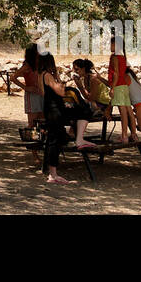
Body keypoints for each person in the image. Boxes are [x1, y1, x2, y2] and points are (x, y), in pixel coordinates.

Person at [39, 53, 95, 184]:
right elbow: (61, 91)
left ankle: (52, 172)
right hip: (55, 111)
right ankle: (53, 174)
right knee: (56, 139)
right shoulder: (47, 75)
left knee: (55, 138)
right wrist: (59, 80)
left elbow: (43, 92)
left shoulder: (40, 75)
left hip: (49, 109)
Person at [107, 34, 136, 144]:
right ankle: (133, 134)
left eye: (111, 44)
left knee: (122, 111)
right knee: (129, 111)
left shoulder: (114, 57)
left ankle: (124, 135)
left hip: (118, 85)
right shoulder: (123, 57)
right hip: (124, 85)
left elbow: (116, 73)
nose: (110, 46)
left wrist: (112, 88)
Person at [11, 44, 44, 131]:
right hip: (32, 95)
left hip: (42, 93)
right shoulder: (27, 65)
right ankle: (29, 137)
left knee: (42, 120)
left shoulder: (40, 64)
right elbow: (13, 77)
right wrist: (25, 87)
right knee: (32, 121)